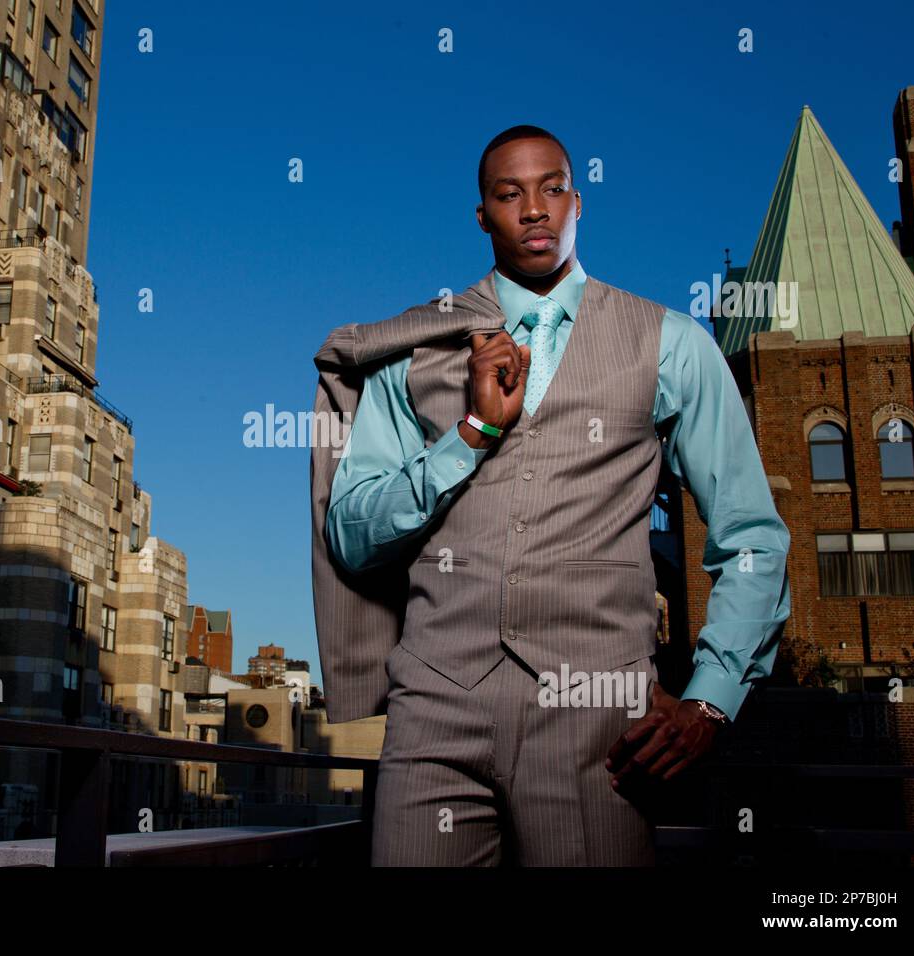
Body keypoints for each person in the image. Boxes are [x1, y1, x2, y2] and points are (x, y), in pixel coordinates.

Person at [309, 124, 791, 865]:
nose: (534, 209)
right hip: (434, 709)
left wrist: (709, 699)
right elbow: (349, 533)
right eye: (510, 193)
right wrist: (469, 433)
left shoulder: (669, 342)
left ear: (577, 202)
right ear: (483, 216)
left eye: (552, 188)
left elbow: (752, 537)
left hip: (596, 721)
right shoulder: (414, 353)